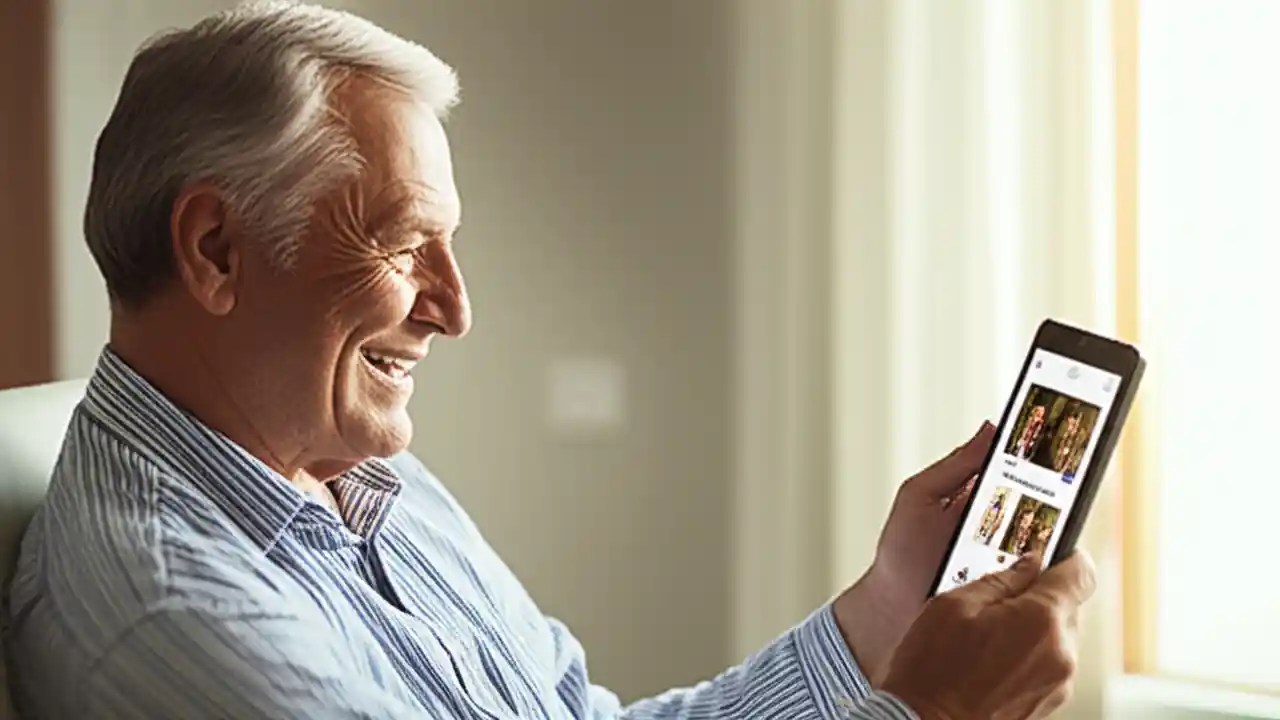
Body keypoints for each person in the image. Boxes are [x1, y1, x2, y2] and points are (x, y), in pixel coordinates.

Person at [3, 3, 1095, 718]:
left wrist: (878, 624)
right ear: (216, 250)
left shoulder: (355, 478)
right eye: (398, 243)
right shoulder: (180, 615)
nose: (454, 309)